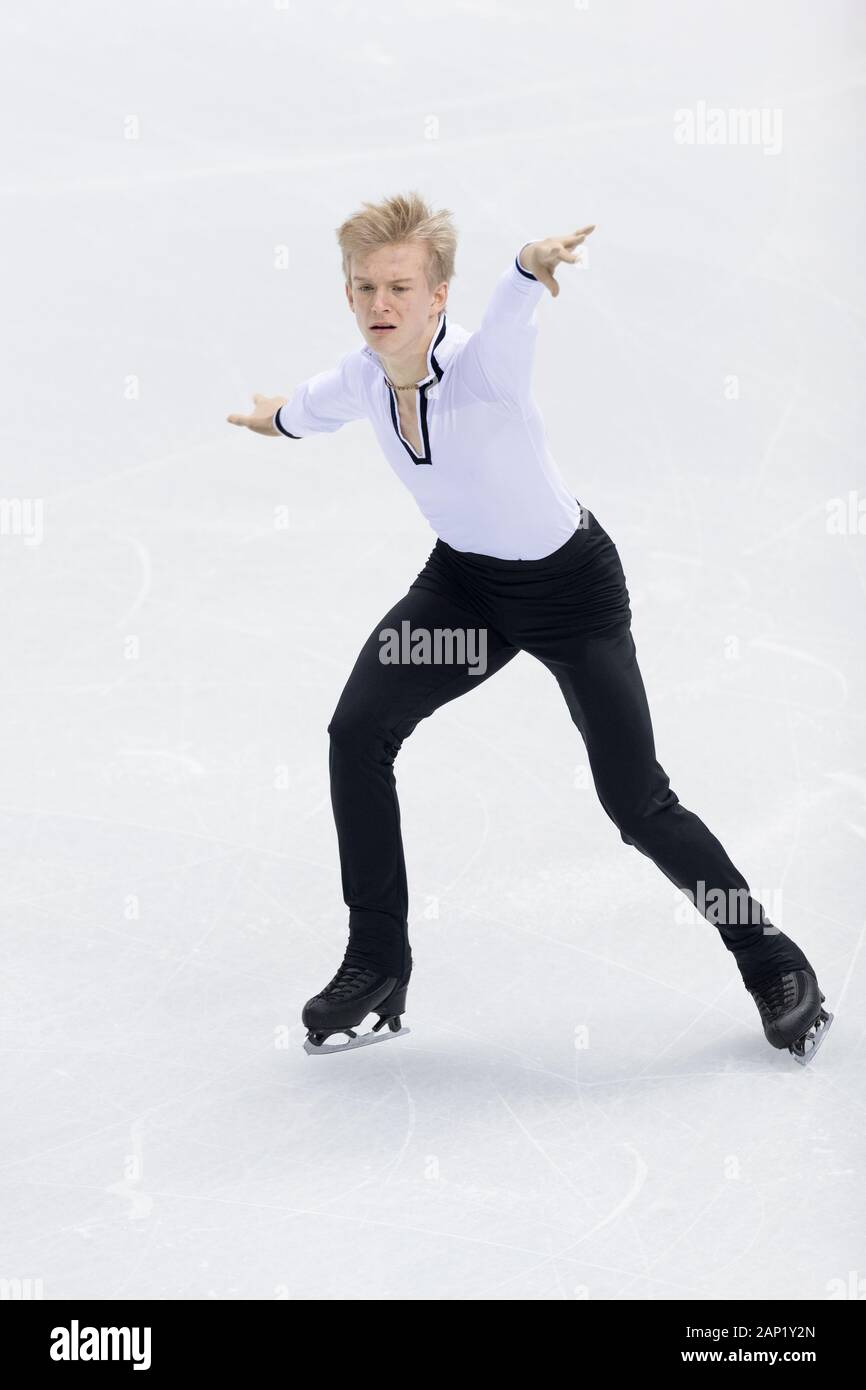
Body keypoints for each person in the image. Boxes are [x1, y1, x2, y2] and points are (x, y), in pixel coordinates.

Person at [227, 191, 832, 1064]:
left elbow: (514, 314)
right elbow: (308, 409)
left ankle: (771, 958)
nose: (380, 306)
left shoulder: (484, 369)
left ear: (439, 296)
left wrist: (528, 267)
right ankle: (377, 957)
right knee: (358, 732)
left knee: (637, 803)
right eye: (364, 288)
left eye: (400, 286)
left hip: (571, 598)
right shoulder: (364, 376)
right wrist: (270, 419)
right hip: (467, 595)